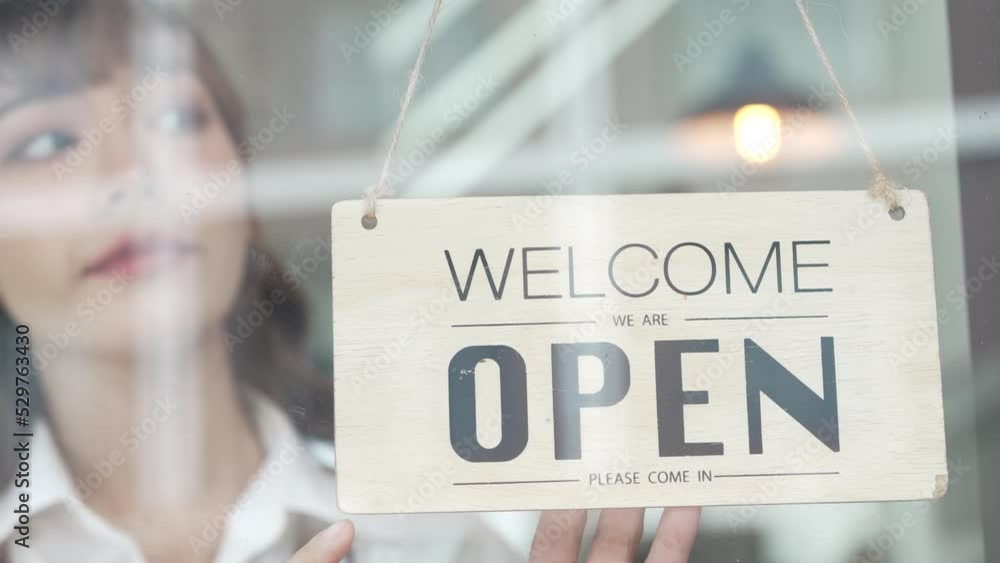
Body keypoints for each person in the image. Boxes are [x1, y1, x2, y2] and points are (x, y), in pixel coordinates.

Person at [0, 2, 700, 562]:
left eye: (176, 119)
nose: (133, 174)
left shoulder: (431, 542)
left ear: (245, 201)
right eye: (44, 141)